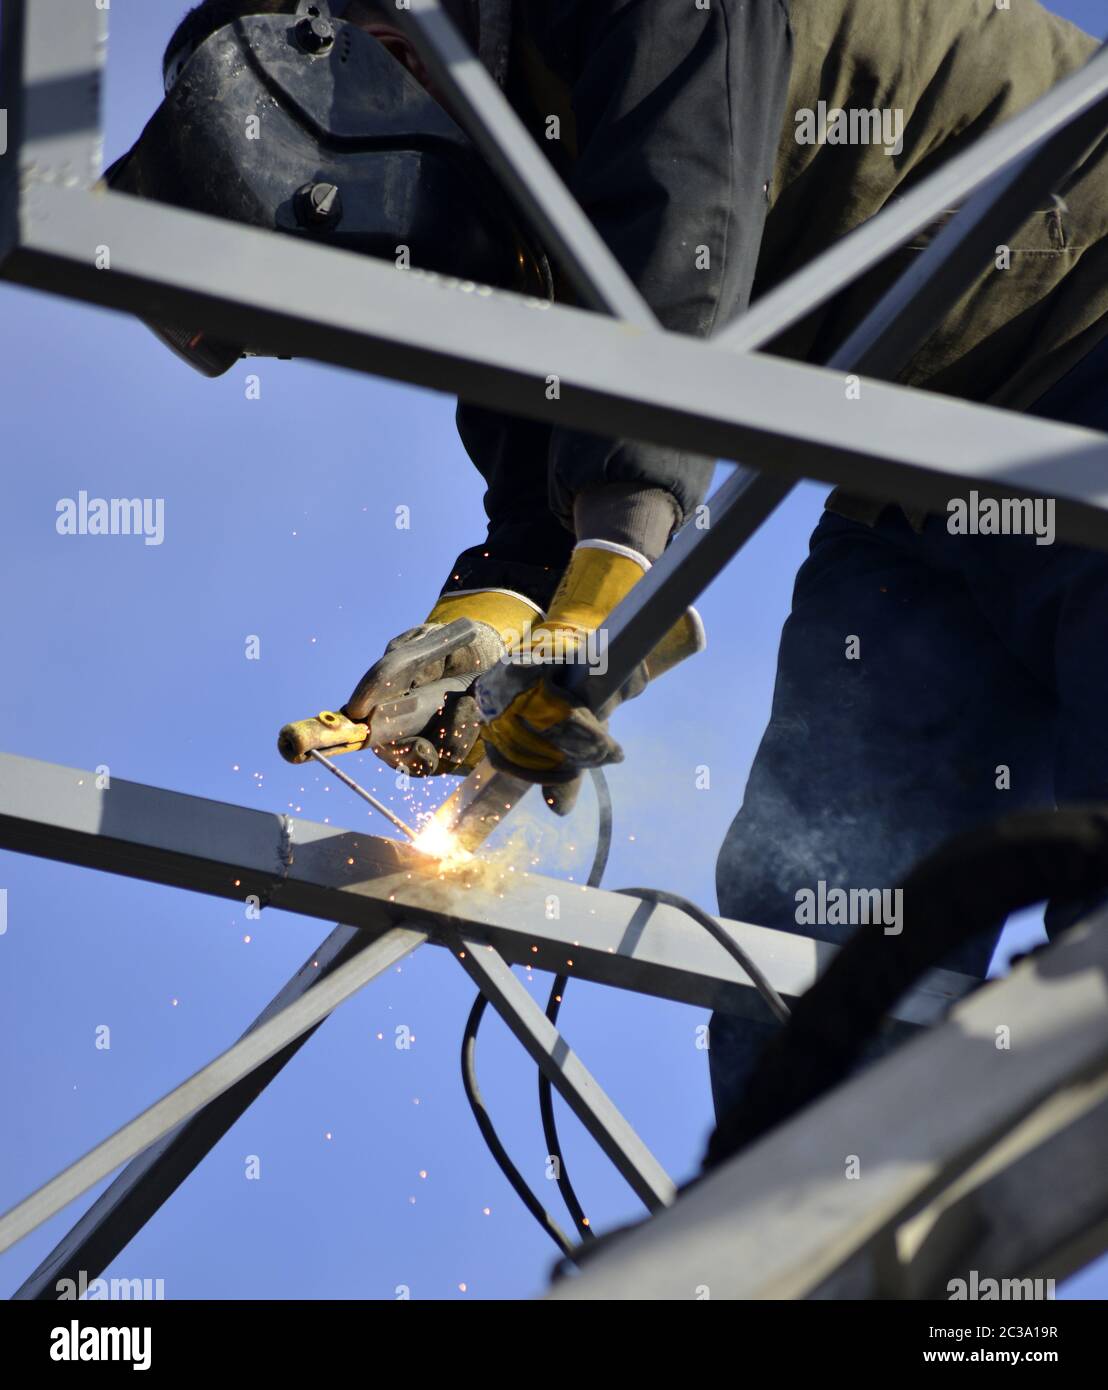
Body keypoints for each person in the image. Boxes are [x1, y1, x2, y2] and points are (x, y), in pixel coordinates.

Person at [157, 0, 1108, 1121]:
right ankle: (802, 1227)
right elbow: (541, 418)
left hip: (1082, 344)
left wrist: (615, 566)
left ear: (384, 50)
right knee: (805, 940)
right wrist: (485, 628)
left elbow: (679, 213)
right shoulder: (510, 158)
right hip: (913, 489)